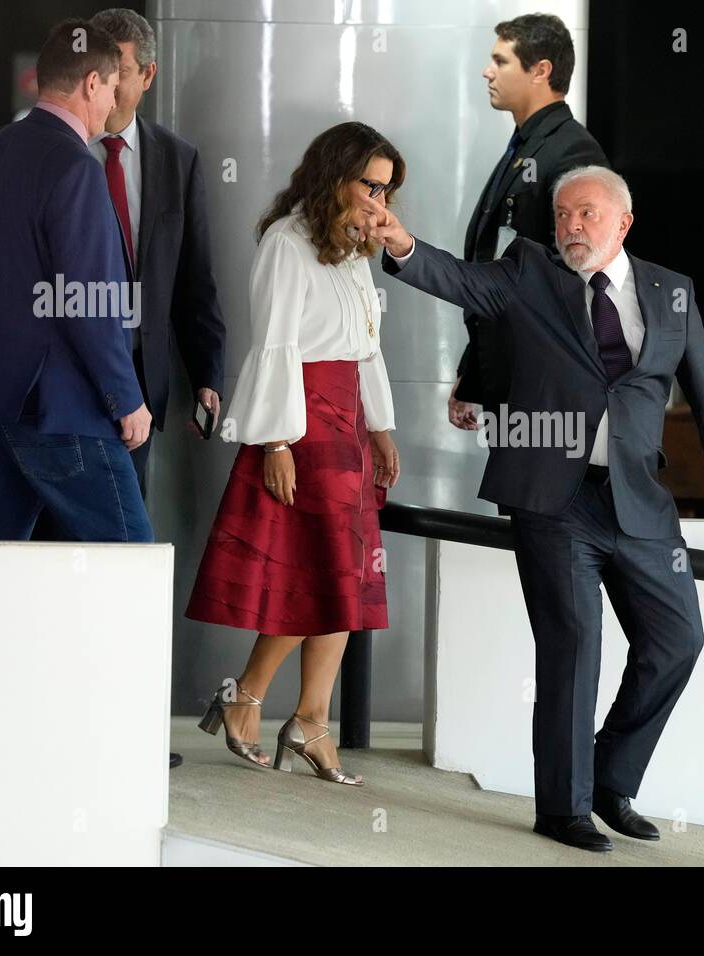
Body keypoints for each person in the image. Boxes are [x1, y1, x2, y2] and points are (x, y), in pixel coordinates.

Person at [366, 166, 704, 851]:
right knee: (573, 648)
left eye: (587, 215)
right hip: (553, 499)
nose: (571, 226)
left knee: (677, 641)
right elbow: (457, 279)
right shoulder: (529, 273)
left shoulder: (671, 293)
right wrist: (401, 243)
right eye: (563, 216)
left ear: (622, 223)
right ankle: (563, 807)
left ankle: (610, 779)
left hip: (636, 501)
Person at [185, 123, 403, 787]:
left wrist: (381, 426)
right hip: (303, 422)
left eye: (388, 190)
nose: (379, 201)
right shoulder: (286, 241)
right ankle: (251, 699)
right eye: (370, 184)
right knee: (324, 574)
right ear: (335, 173)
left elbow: (364, 344)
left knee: (346, 581)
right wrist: (275, 438)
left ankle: (307, 717)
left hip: (348, 423)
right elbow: (274, 343)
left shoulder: (357, 246)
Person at [0, 18, 153, 543]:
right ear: (92, 83)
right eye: (113, 88)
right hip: (59, 407)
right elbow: (87, 299)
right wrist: (127, 399)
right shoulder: (75, 166)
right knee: (129, 566)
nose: (113, 104)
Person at [448, 13, 609, 453]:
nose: (487, 71)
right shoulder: (526, 146)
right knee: (523, 517)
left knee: (540, 517)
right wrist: (476, 370)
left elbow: (579, 276)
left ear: (541, 70)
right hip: (514, 373)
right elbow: (502, 271)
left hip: (543, 383)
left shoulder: (572, 150)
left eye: (501, 61)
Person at [88, 8, 226, 497]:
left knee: (125, 526)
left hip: (139, 380)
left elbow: (194, 278)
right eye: (95, 69)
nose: (102, 83)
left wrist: (207, 374)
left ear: (148, 75)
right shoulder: (56, 148)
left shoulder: (176, 158)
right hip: (61, 381)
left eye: (118, 72)